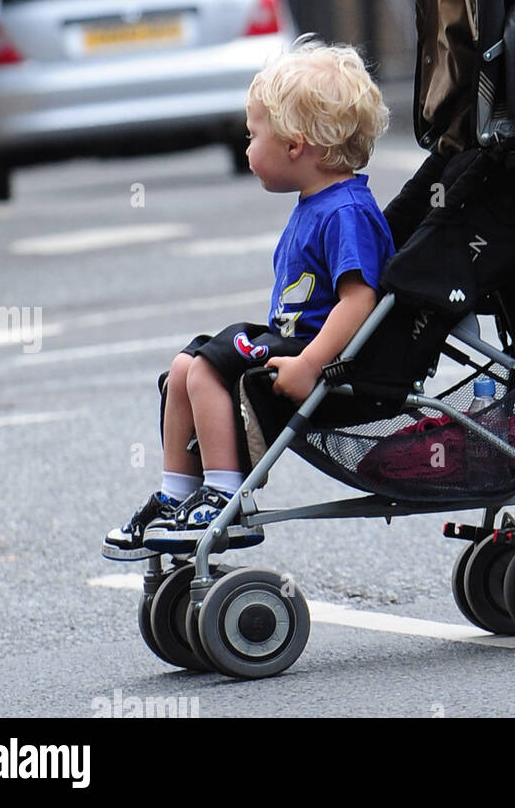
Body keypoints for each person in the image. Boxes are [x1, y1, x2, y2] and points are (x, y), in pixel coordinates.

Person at [103, 39, 393, 558]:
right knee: (185, 365)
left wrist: (309, 363)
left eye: (253, 135)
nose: (247, 148)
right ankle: (177, 495)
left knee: (214, 365)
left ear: (295, 146)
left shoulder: (345, 211)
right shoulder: (317, 203)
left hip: (328, 364)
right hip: (296, 347)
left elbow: (359, 300)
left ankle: (222, 494)